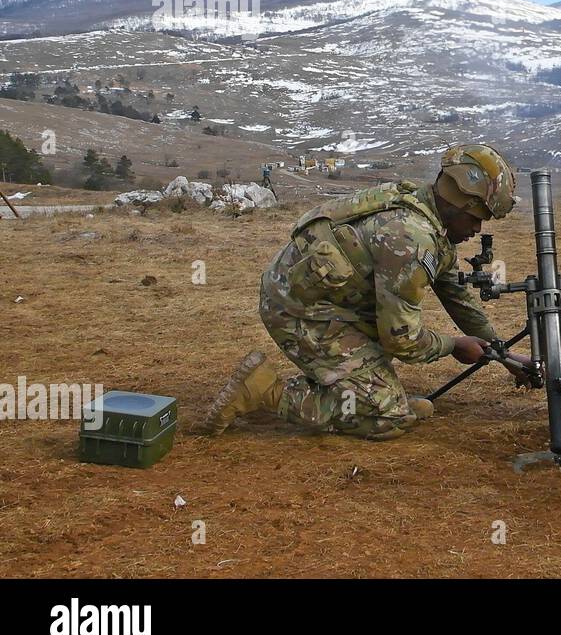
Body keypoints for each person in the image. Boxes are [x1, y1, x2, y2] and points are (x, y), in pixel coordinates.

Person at [196, 144, 520, 441]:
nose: (478, 229)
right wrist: (453, 346)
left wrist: (507, 357)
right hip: (299, 311)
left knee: (383, 390)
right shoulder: (410, 238)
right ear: (461, 203)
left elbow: (457, 299)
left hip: (321, 301)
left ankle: (363, 387)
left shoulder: (423, 209)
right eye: (478, 218)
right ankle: (265, 391)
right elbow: (401, 339)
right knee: (389, 416)